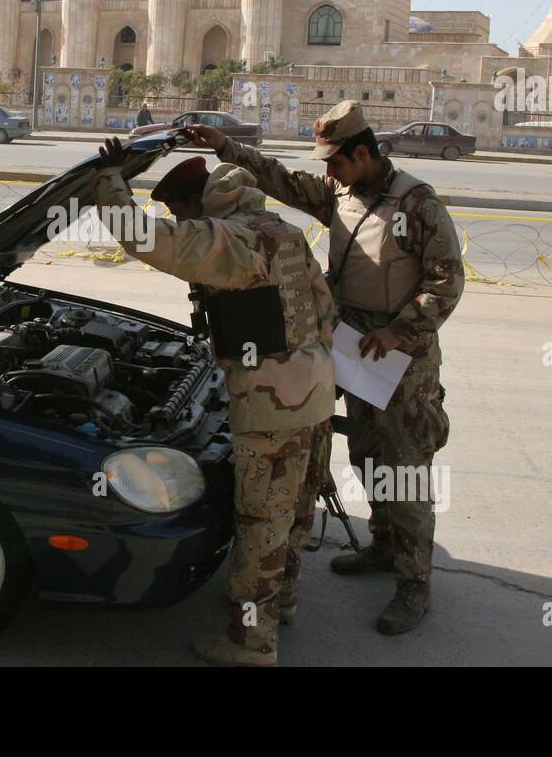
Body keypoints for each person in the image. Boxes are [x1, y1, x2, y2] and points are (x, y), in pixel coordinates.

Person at [186, 100, 464, 635]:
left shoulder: (417, 203)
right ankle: (384, 549)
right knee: (366, 455)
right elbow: (281, 181)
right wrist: (226, 148)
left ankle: (414, 585)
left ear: (362, 153)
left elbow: (446, 281)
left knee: (404, 470)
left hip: (402, 359)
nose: (326, 172)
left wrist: (398, 331)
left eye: (334, 161)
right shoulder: (342, 192)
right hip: (354, 349)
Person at [93, 140, 336, 667]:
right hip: (315, 393)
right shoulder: (285, 232)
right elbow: (324, 308)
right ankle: (284, 599)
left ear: (198, 204)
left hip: (273, 407)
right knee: (293, 511)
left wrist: (110, 181)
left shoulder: (231, 239)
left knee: (260, 521)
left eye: (179, 211)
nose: (176, 220)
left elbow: (144, 239)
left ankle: (251, 642)